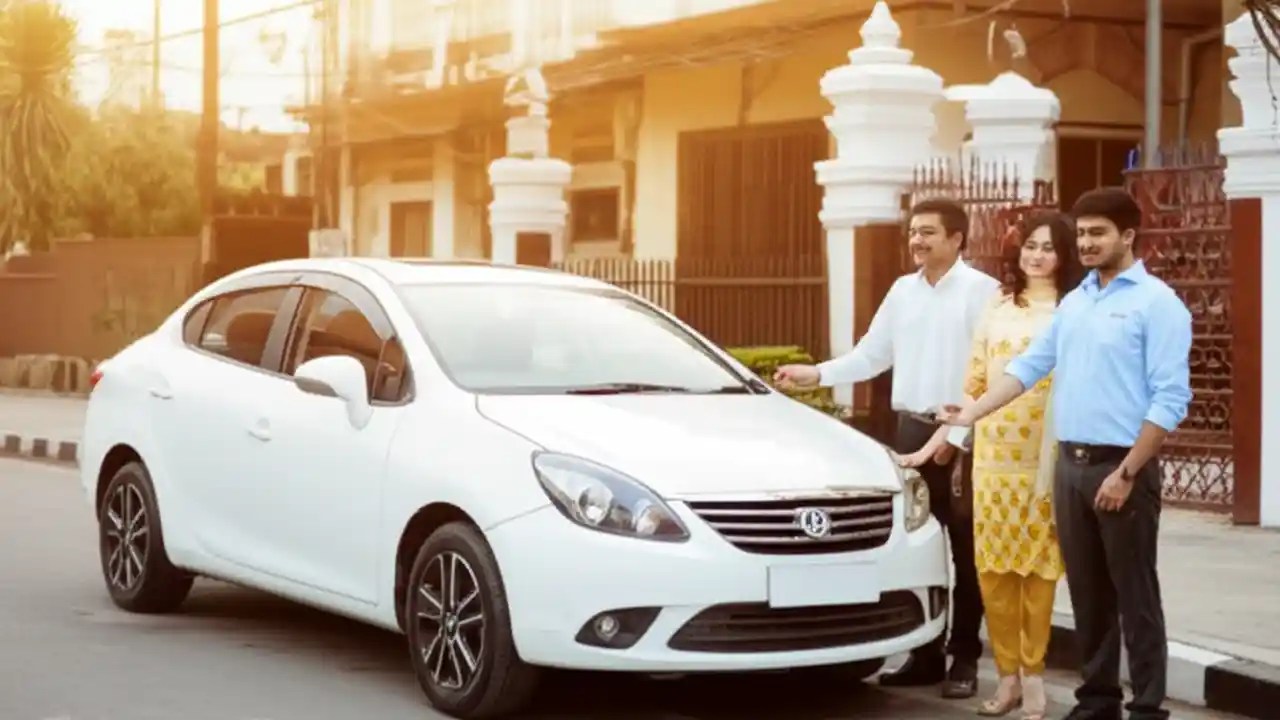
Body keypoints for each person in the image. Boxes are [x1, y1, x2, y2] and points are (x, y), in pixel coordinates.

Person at [937, 187, 1192, 720]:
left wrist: (1127, 472)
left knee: (1136, 595)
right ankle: (1098, 701)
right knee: (1089, 597)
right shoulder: (1077, 303)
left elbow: (1170, 399)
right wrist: (971, 413)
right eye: (1082, 233)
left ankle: (1147, 706)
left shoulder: (1156, 304)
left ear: (1128, 235)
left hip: (1121, 466)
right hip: (1069, 467)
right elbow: (1029, 366)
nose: (1088, 242)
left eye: (1099, 233)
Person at [774, 198, 999, 699]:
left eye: (929, 233)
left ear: (957, 239)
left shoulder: (983, 292)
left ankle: (964, 656)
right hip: (910, 434)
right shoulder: (903, 291)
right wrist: (818, 374)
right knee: (920, 546)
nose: (917, 241)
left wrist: (956, 438)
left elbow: (989, 376)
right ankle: (924, 656)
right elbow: (871, 355)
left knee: (966, 551)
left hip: (963, 439)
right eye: (914, 232)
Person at [902, 211, 1083, 720]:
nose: (1037, 255)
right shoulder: (998, 306)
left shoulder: (1073, 309)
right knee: (995, 574)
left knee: (1040, 575)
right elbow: (974, 387)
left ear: (1064, 254)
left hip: (1045, 460)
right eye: (1030, 245)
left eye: (1048, 247)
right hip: (993, 462)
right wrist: (946, 441)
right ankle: (1005, 680)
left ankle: (1035, 679)